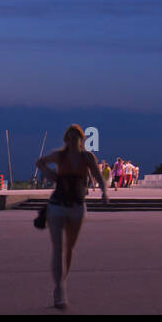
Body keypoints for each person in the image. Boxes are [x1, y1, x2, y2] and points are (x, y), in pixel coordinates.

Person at [36, 124, 108, 310]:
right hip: (57, 205)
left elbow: (98, 176)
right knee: (58, 248)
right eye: (69, 138)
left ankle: (61, 282)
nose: (72, 141)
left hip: (77, 205)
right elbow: (40, 162)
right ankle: (60, 288)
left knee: (70, 248)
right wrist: (51, 175)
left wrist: (104, 192)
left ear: (81, 140)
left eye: (76, 138)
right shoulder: (60, 155)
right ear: (66, 140)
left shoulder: (87, 157)